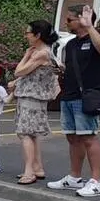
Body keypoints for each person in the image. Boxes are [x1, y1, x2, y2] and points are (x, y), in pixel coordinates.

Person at [47, 5, 100, 197]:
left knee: (89, 137)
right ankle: (75, 177)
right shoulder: (71, 44)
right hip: (69, 95)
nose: (66, 23)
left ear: (82, 20)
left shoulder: (97, 39)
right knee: (73, 138)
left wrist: (90, 26)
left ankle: (97, 182)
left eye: (69, 19)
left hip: (87, 96)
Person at [10, 20, 60, 185]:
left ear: (37, 35)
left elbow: (19, 71)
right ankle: (37, 168)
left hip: (32, 97)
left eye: (28, 33)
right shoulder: (45, 51)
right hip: (33, 96)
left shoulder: (41, 53)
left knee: (25, 133)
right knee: (32, 134)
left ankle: (29, 171)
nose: (26, 36)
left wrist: (26, 55)